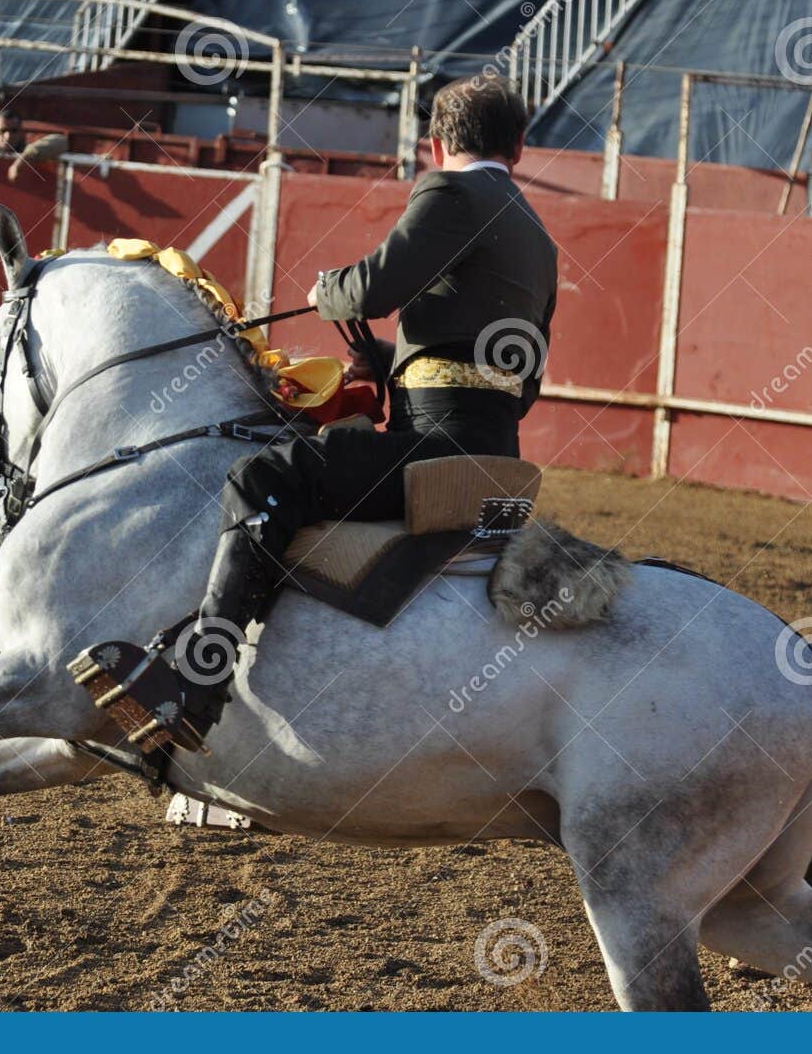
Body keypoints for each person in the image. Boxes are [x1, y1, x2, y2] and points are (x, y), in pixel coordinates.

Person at [91, 75, 559, 748]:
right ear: (518, 144)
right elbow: (516, 380)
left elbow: (371, 287)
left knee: (264, 477)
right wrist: (395, 362)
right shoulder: (538, 237)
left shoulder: (451, 191)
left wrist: (327, 290)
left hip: (437, 450)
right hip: (497, 454)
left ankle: (198, 683)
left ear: (435, 144)